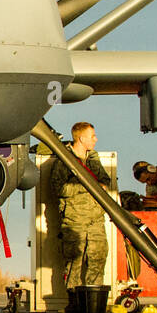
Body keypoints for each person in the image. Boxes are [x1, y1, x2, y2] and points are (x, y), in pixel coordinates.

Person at [49, 122, 112, 294]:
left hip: (96, 220)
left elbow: (105, 181)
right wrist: (85, 186)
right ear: (81, 138)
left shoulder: (93, 159)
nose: (95, 139)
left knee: (98, 258)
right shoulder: (64, 160)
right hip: (74, 221)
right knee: (73, 263)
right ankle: (74, 302)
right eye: (92, 136)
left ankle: (94, 301)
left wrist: (99, 185)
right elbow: (58, 188)